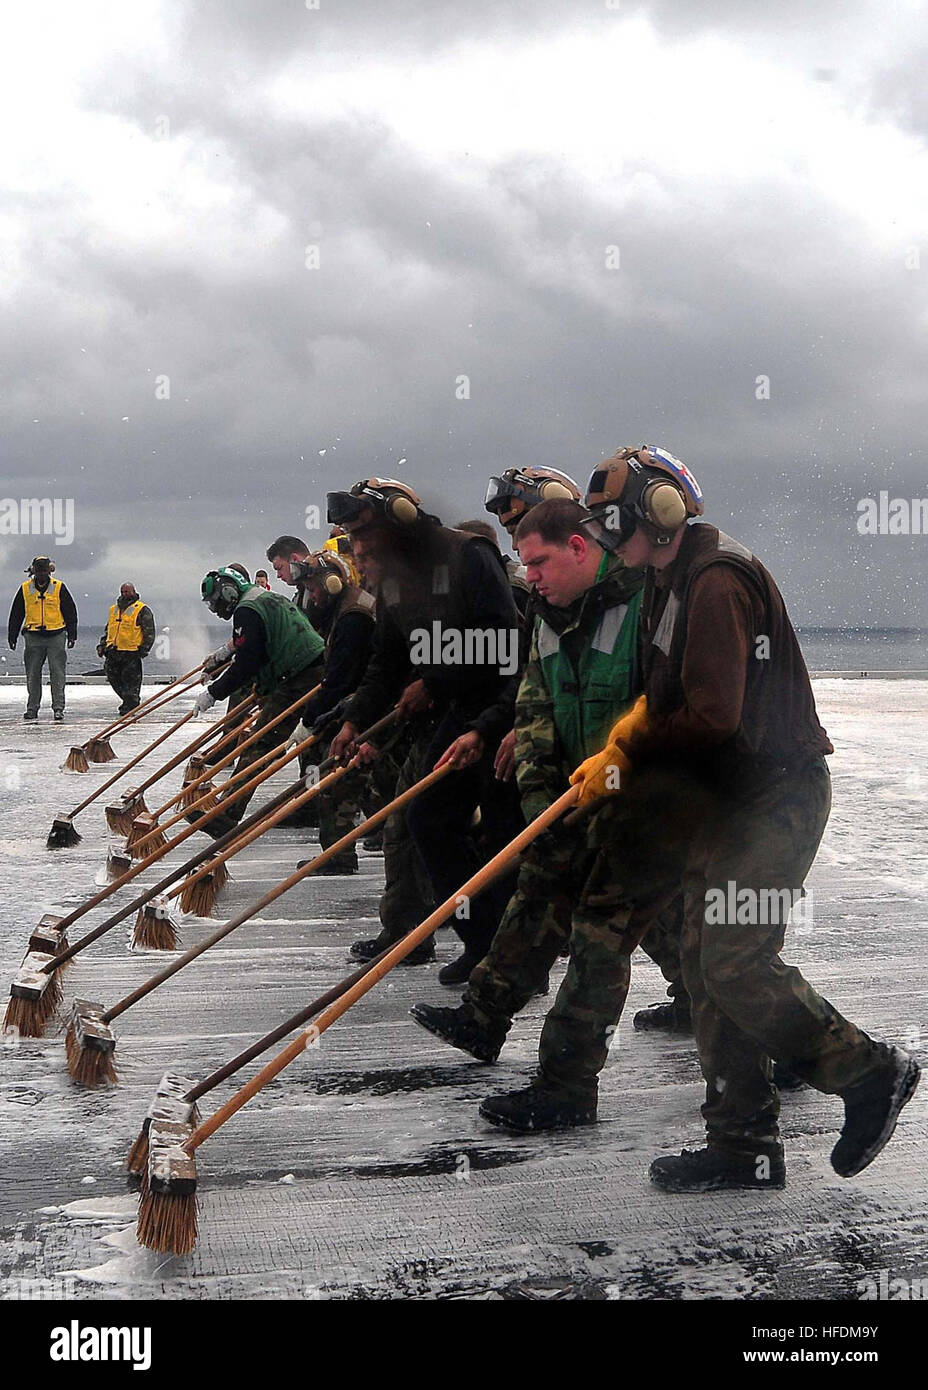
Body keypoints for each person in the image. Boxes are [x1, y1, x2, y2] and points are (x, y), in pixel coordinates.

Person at [567, 445, 920, 1190]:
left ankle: (867, 1071)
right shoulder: (666, 578)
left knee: (734, 961)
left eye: (613, 523)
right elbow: (673, 702)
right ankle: (743, 1147)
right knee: (702, 967)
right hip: (728, 800)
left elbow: (716, 717)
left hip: (776, 795)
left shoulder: (716, 580)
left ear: (661, 509)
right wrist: (627, 738)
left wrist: (631, 760)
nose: (607, 540)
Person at [411, 497, 680, 1132]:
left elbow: (669, 707)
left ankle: (566, 1086)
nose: (528, 576)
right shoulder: (546, 614)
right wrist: (540, 809)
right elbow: (533, 713)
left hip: (645, 801)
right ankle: (483, 1018)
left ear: (581, 550)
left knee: (632, 939)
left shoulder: (647, 604)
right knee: (540, 890)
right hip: (574, 795)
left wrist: (623, 788)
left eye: (538, 562)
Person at [327, 478, 522, 982]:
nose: (357, 546)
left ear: (400, 519)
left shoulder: (468, 555)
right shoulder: (394, 579)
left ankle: (515, 959)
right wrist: (355, 722)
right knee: (427, 819)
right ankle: (481, 942)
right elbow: (387, 661)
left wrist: (435, 682)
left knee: (505, 838)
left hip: (506, 710)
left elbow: (504, 644)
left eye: (362, 533)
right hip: (458, 712)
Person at [189, 567, 325, 836]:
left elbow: (248, 662)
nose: (217, 610)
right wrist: (263, 686)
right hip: (315, 668)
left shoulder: (246, 610)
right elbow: (263, 649)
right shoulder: (261, 598)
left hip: (298, 677)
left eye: (216, 603)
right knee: (314, 746)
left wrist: (213, 693)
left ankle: (228, 815)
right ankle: (315, 807)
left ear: (227, 591)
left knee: (260, 742)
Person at [282, 549, 378, 874]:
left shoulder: (353, 617)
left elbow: (339, 680)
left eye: (312, 588)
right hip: (357, 704)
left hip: (361, 707)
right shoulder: (344, 610)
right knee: (353, 782)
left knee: (336, 783)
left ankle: (339, 856)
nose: (310, 596)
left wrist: (309, 721)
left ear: (332, 582)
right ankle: (340, 852)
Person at [8, 556, 78, 721]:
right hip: (33, 637)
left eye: (44, 570)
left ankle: (58, 708)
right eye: (38, 570)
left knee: (58, 674)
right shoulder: (25, 589)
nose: (41, 574)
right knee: (32, 675)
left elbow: (70, 611)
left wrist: (72, 634)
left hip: (56, 635)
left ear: (49, 571)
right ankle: (32, 708)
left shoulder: (59, 587)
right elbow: (17, 614)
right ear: (34, 570)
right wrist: (13, 636)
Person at [97, 583, 155, 714]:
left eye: (127, 592)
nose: (125, 594)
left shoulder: (141, 609)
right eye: (122, 592)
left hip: (131, 653)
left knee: (132, 683)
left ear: (134, 592)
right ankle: (129, 702)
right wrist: (102, 645)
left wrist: (144, 649)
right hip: (113, 651)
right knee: (113, 678)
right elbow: (108, 630)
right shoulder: (114, 610)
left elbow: (149, 631)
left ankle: (130, 706)